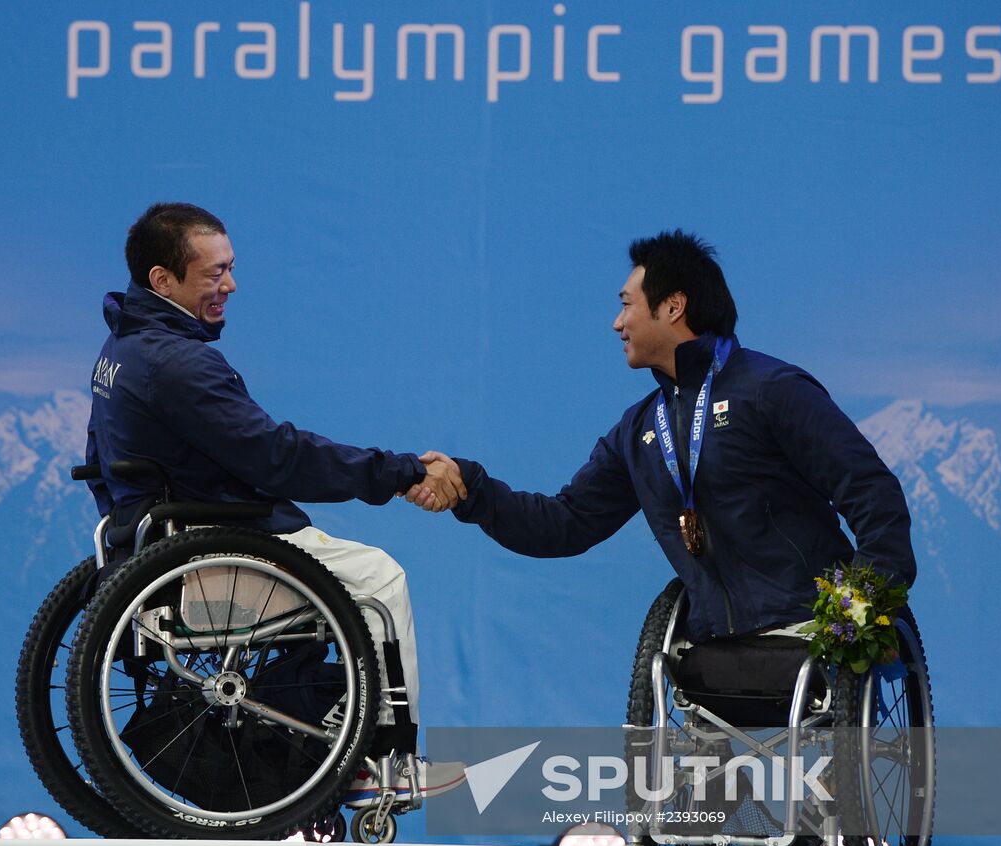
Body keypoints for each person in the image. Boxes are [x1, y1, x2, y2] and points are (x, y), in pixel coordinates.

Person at [85, 201, 466, 801]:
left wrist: (136, 541)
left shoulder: (120, 350)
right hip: (218, 547)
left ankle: (328, 739)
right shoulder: (179, 364)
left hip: (167, 544)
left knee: (349, 579)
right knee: (380, 580)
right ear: (163, 281)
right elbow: (279, 457)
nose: (230, 285)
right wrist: (400, 472)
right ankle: (383, 762)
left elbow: (99, 461)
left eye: (230, 268)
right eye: (213, 274)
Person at [411, 229, 915, 641]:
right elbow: (563, 523)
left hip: (813, 625)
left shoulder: (773, 390)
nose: (616, 323)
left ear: (673, 307)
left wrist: (860, 605)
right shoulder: (639, 430)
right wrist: (471, 488)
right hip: (714, 642)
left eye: (627, 304)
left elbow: (871, 490)